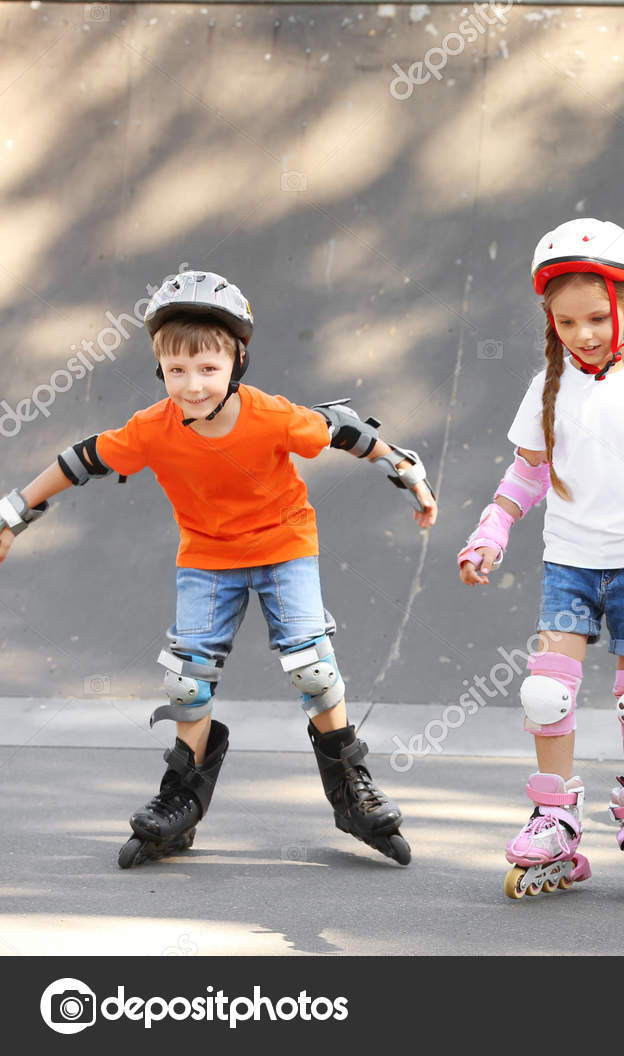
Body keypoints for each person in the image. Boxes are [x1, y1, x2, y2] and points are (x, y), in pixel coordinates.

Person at [0, 270, 437, 867]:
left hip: (284, 545)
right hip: (207, 557)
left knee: (311, 665)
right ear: (160, 369)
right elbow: (82, 459)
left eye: (207, 369)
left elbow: (344, 430)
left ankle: (351, 791)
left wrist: (407, 472)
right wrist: (14, 512)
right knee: (187, 677)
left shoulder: (272, 416)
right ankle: (180, 800)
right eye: (177, 370)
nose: (193, 384)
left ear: (236, 364)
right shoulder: (153, 429)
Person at [458, 219, 624, 904]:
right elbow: (528, 472)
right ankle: (554, 820)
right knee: (545, 690)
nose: (585, 333)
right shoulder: (550, 385)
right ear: (550, 322)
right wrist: (492, 529)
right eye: (567, 322)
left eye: (598, 317)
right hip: (571, 562)